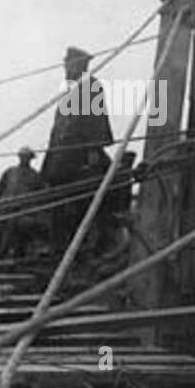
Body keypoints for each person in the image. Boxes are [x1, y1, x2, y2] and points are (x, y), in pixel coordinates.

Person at [42, 46, 115, 256]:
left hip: (78, 157)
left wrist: (93, 153)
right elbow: (59, 127)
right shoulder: (69, 89)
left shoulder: (91, 87)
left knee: (77, 201)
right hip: (61, 157)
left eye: (69, 63)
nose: (65, 67)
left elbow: (96, 123)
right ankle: (58, 246)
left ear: (80, 65)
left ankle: (79, 247)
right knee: (57, 200)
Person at [0, 146, 44, 259]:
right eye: (23, 157)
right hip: (7, 208)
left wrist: (33, 210)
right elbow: (0, 188)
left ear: (30, 159)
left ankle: (17, 253)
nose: (24, 159)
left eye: (27, 157)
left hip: (25, 211)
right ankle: (2, 252)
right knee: (5, 226)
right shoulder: (10, 172)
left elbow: (40, 194)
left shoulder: (35, 175)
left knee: (21, 228)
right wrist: (0, 203)